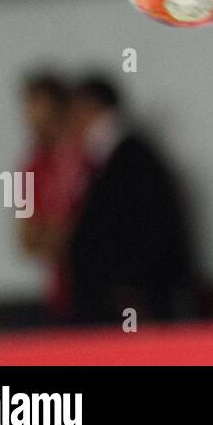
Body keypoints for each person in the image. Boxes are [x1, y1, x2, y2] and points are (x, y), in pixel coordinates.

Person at [64, 76, 197, 324]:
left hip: (134, 306)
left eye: (75, 111)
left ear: (91, 107)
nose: (71, 121)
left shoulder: (132, 159)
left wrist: (130, 291)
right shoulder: (107, 161)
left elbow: (152, 231)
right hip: (115, 307)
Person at [16, 71, 87, 323]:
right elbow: (26, 240)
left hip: (98, 291)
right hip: (61, 296)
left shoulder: (86, 159)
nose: (28, 115)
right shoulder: (33, 167)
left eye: (35, 103)